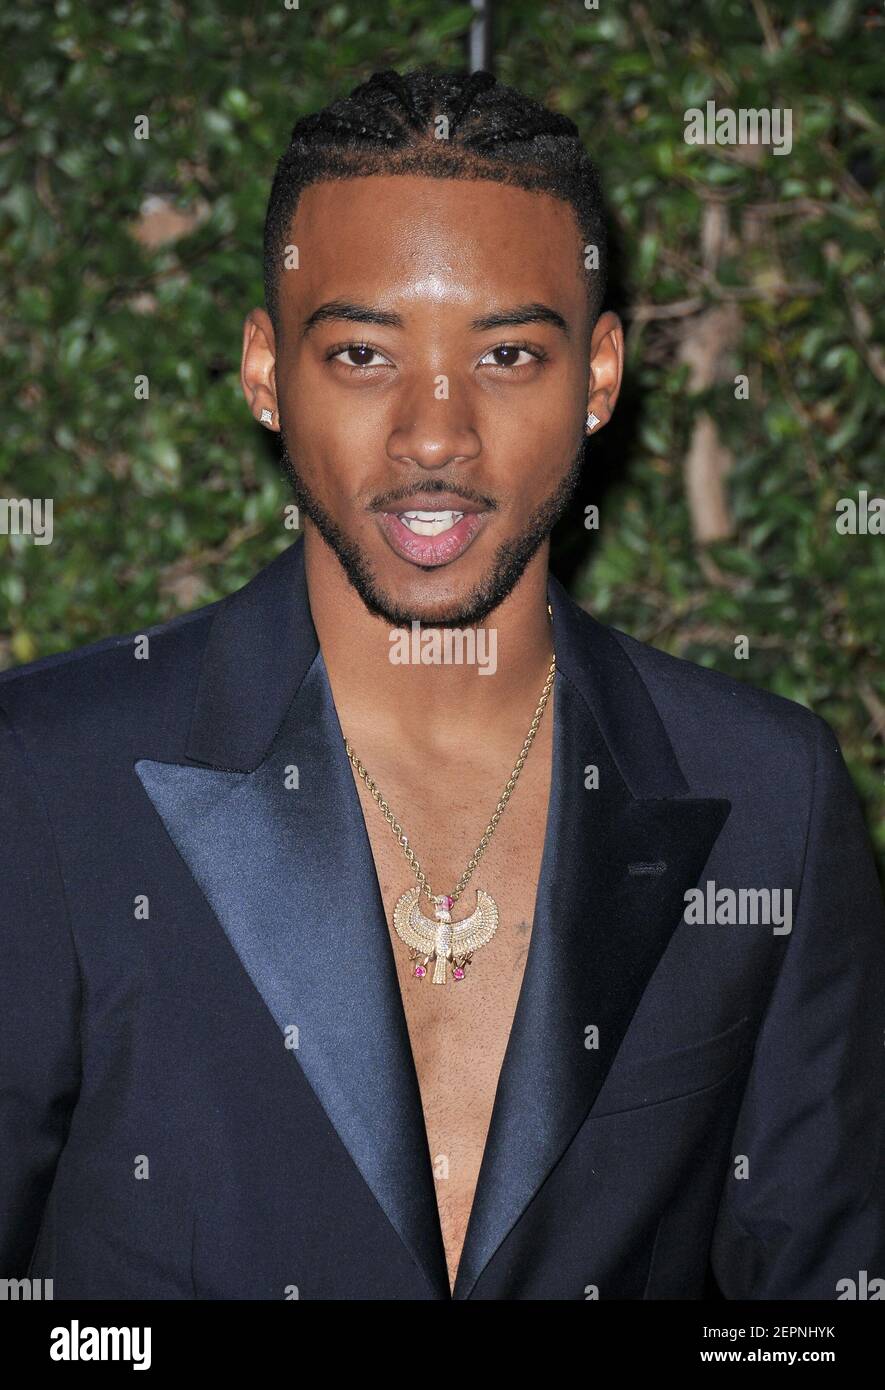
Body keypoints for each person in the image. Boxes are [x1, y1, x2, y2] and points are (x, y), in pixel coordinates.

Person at [1, 66, 883, 1301]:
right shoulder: (44, 779)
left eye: (509, 353)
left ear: (600, 375)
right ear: (265, 371)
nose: (434, 433)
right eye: (363, 353)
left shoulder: (766, 796)